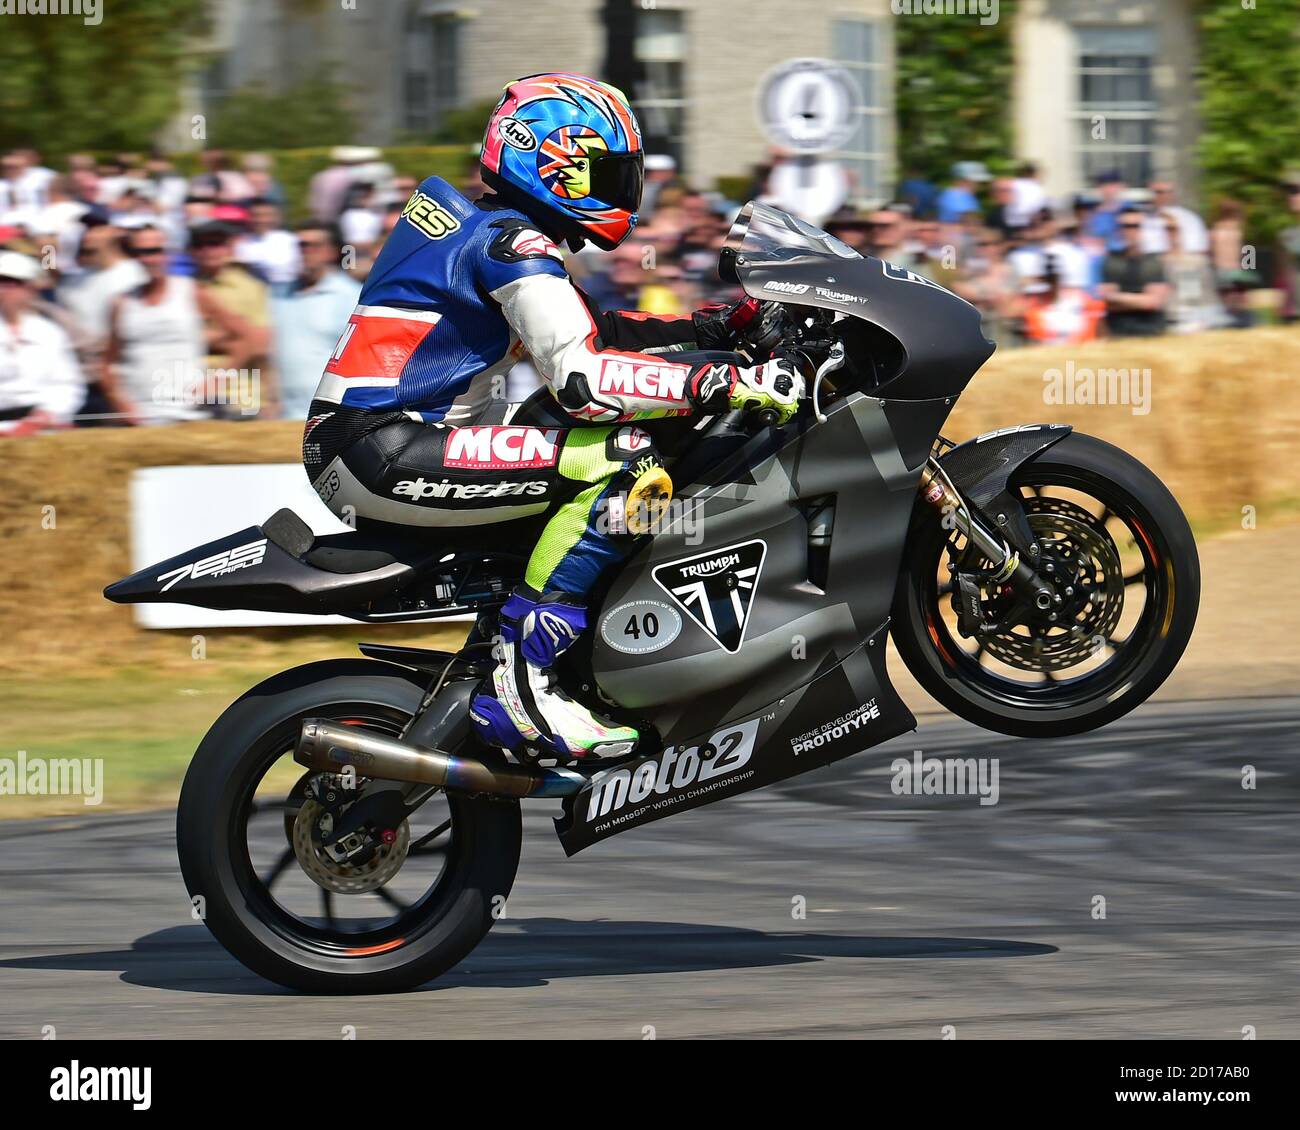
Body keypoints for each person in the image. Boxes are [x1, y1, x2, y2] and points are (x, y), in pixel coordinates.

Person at [302, 72, 802, 760]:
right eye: (610, 173)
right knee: (623, 460)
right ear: (554, 164)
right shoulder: (513, 245)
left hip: (384, 440)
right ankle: (526, 683)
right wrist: (728, 380)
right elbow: (587, 381)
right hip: (378, 446)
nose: (625, 192)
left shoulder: (499, 236)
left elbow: (606, 336)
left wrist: (720, 330)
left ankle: (562, 660)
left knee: (601, 438)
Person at [101, 225, 206, 424]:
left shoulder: (191, 291)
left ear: (169, 253)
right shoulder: (122, 301)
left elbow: (249, 337)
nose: (148, 259)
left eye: (155, 251)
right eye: (141, 252)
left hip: (189, 414)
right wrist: (119, 402)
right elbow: (107, 363)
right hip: (141, 417)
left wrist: (216, 380)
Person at [273, 221, 361, 419]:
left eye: (314, 245)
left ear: (331, 252)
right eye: (301, 245)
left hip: (328, 418)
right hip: (282, 416)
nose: (306, 251)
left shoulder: (352, 297)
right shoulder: (277, 294)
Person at [0, 251, 84, 435]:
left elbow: (67, 385)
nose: (4, 290)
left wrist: (44, 416)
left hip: (42, 426)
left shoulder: (49, 333)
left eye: (12, 283)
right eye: (1, 282)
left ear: (30, 288)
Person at [1099, 208, 1170, 337]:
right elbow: (1108, 303)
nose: (1130, 231)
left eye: (1135, 226)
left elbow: (1153, 302)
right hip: (1119, 331)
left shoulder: (1153, 261)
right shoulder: (1111, 260)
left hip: (1151, 330)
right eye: (1125, 226)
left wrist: (1117, 297)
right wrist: (1140, 300)